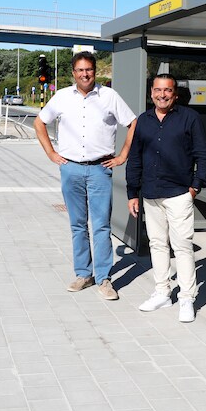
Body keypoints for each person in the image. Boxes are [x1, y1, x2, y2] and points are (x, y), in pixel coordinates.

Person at [35, 52, 137, 300]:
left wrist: (123, 155)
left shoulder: (109, 96)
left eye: (89, 70)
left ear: (95, 71)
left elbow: (133, 123)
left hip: (100, 169)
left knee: (101, 226)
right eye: (80, 70)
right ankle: (84, 274)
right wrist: (51, 153)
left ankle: (103, 279)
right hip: (70, 169)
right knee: (77, 225)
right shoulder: (61, 97)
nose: (85, 74)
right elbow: (40, 123)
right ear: (73, 73)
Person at [126, 73, 206, 322]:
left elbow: (203, 156)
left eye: (167, 90)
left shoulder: (189, 118)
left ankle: (187, 298)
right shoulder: (143, 120)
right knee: (157, 244)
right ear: (151, 92)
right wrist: (133, 192)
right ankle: (162, 292)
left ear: (175, 94)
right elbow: (135, 158)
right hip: (150, 194)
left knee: (182, 246)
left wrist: (195, 187)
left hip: (178, 194)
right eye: (157, 90)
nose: (162, 94)